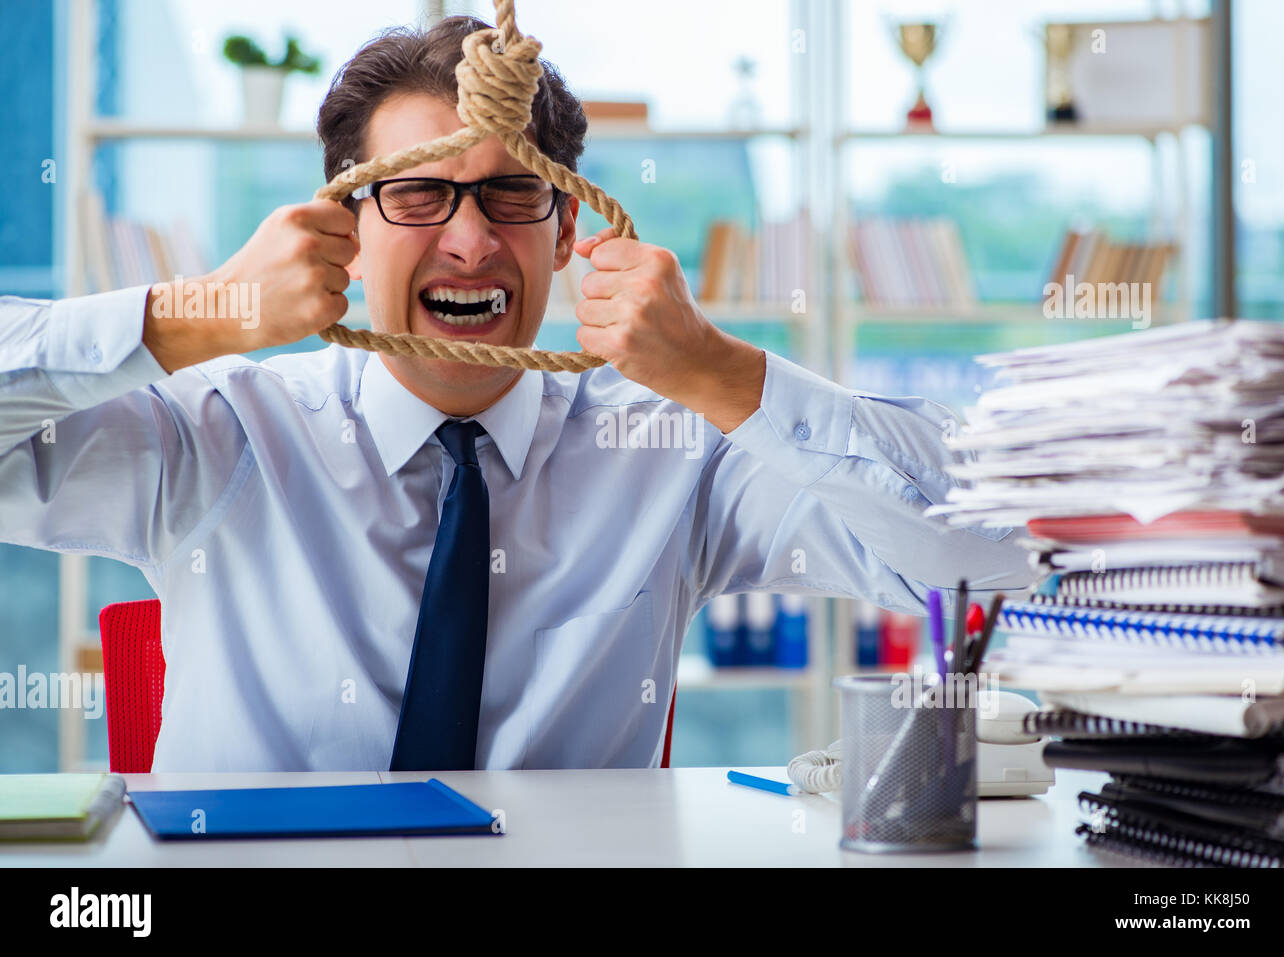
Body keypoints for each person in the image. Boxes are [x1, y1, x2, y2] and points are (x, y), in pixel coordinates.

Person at [0, 16, 1031, 771]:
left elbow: (1003, 568)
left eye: (512, 192)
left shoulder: (673, 453)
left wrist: (724, 374)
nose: (471, 238)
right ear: (345, 228)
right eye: (417, 192)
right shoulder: (212, 434)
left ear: (569, 230)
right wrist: (187, 319)